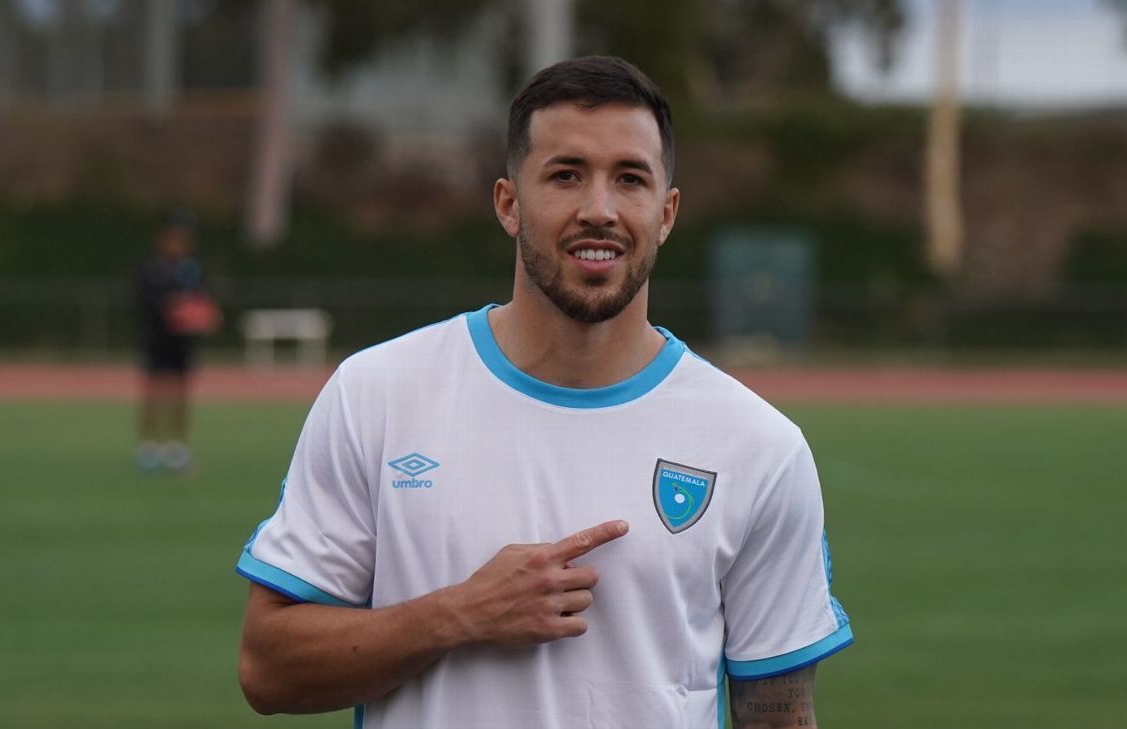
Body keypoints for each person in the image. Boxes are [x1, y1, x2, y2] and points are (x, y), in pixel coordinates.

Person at [235, 56, 852, 728]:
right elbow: (268, 669)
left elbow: (779, 716)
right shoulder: (377, 394)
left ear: (666, 212)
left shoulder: (759, 446)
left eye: (630, 178)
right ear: (509, 204)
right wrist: (459, 613)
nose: (599, 210)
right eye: (566, 175)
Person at [134, 209, 219, 472]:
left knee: (181, 395)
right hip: (156, 341)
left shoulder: (192, 269)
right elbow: (142, 302)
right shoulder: (151, 268)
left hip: (182, 344)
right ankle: (149, 447)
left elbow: (203, 300)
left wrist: (204, 315)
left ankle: (177, 447)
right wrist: (174, 309)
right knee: (154, 394)